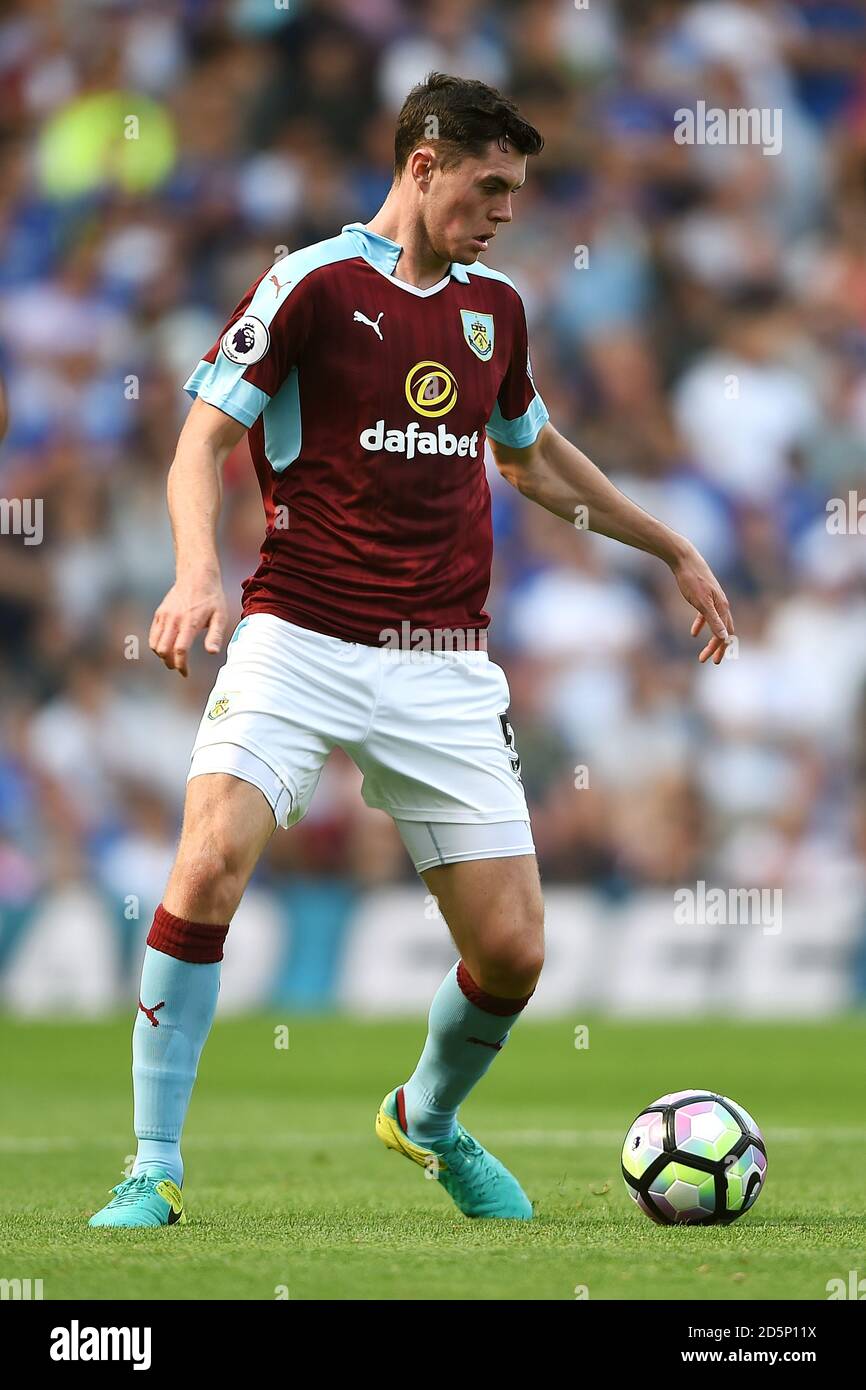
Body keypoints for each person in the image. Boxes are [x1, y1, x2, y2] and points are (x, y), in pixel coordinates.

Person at [90, 73, 733, 1228]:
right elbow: (199, 444)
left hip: (441, 660)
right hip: (296, 633)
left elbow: (531, 459)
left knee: (514, 952)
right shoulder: (311, 284)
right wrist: (196, 573)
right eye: (488, 186)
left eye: (516, 192)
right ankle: (151, 1166)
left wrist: (666, 545)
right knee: (204, 866)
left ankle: (424, 1120)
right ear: (423, 162)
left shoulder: (497, 310)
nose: (501, 210)